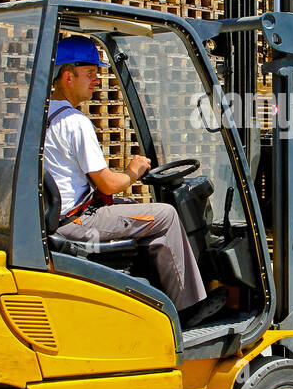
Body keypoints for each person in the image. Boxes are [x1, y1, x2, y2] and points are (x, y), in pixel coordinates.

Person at [44, 36, 225, 326]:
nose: (96, 81)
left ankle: (154, 296)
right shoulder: (74, 122)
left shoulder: (47, 116)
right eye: (91, 73)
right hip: (77, 222)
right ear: (68, 76)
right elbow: (107, 184)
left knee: (134, 208)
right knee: (165, 215)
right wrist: (133, 170)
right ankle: (190, 308)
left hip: (65, 214)